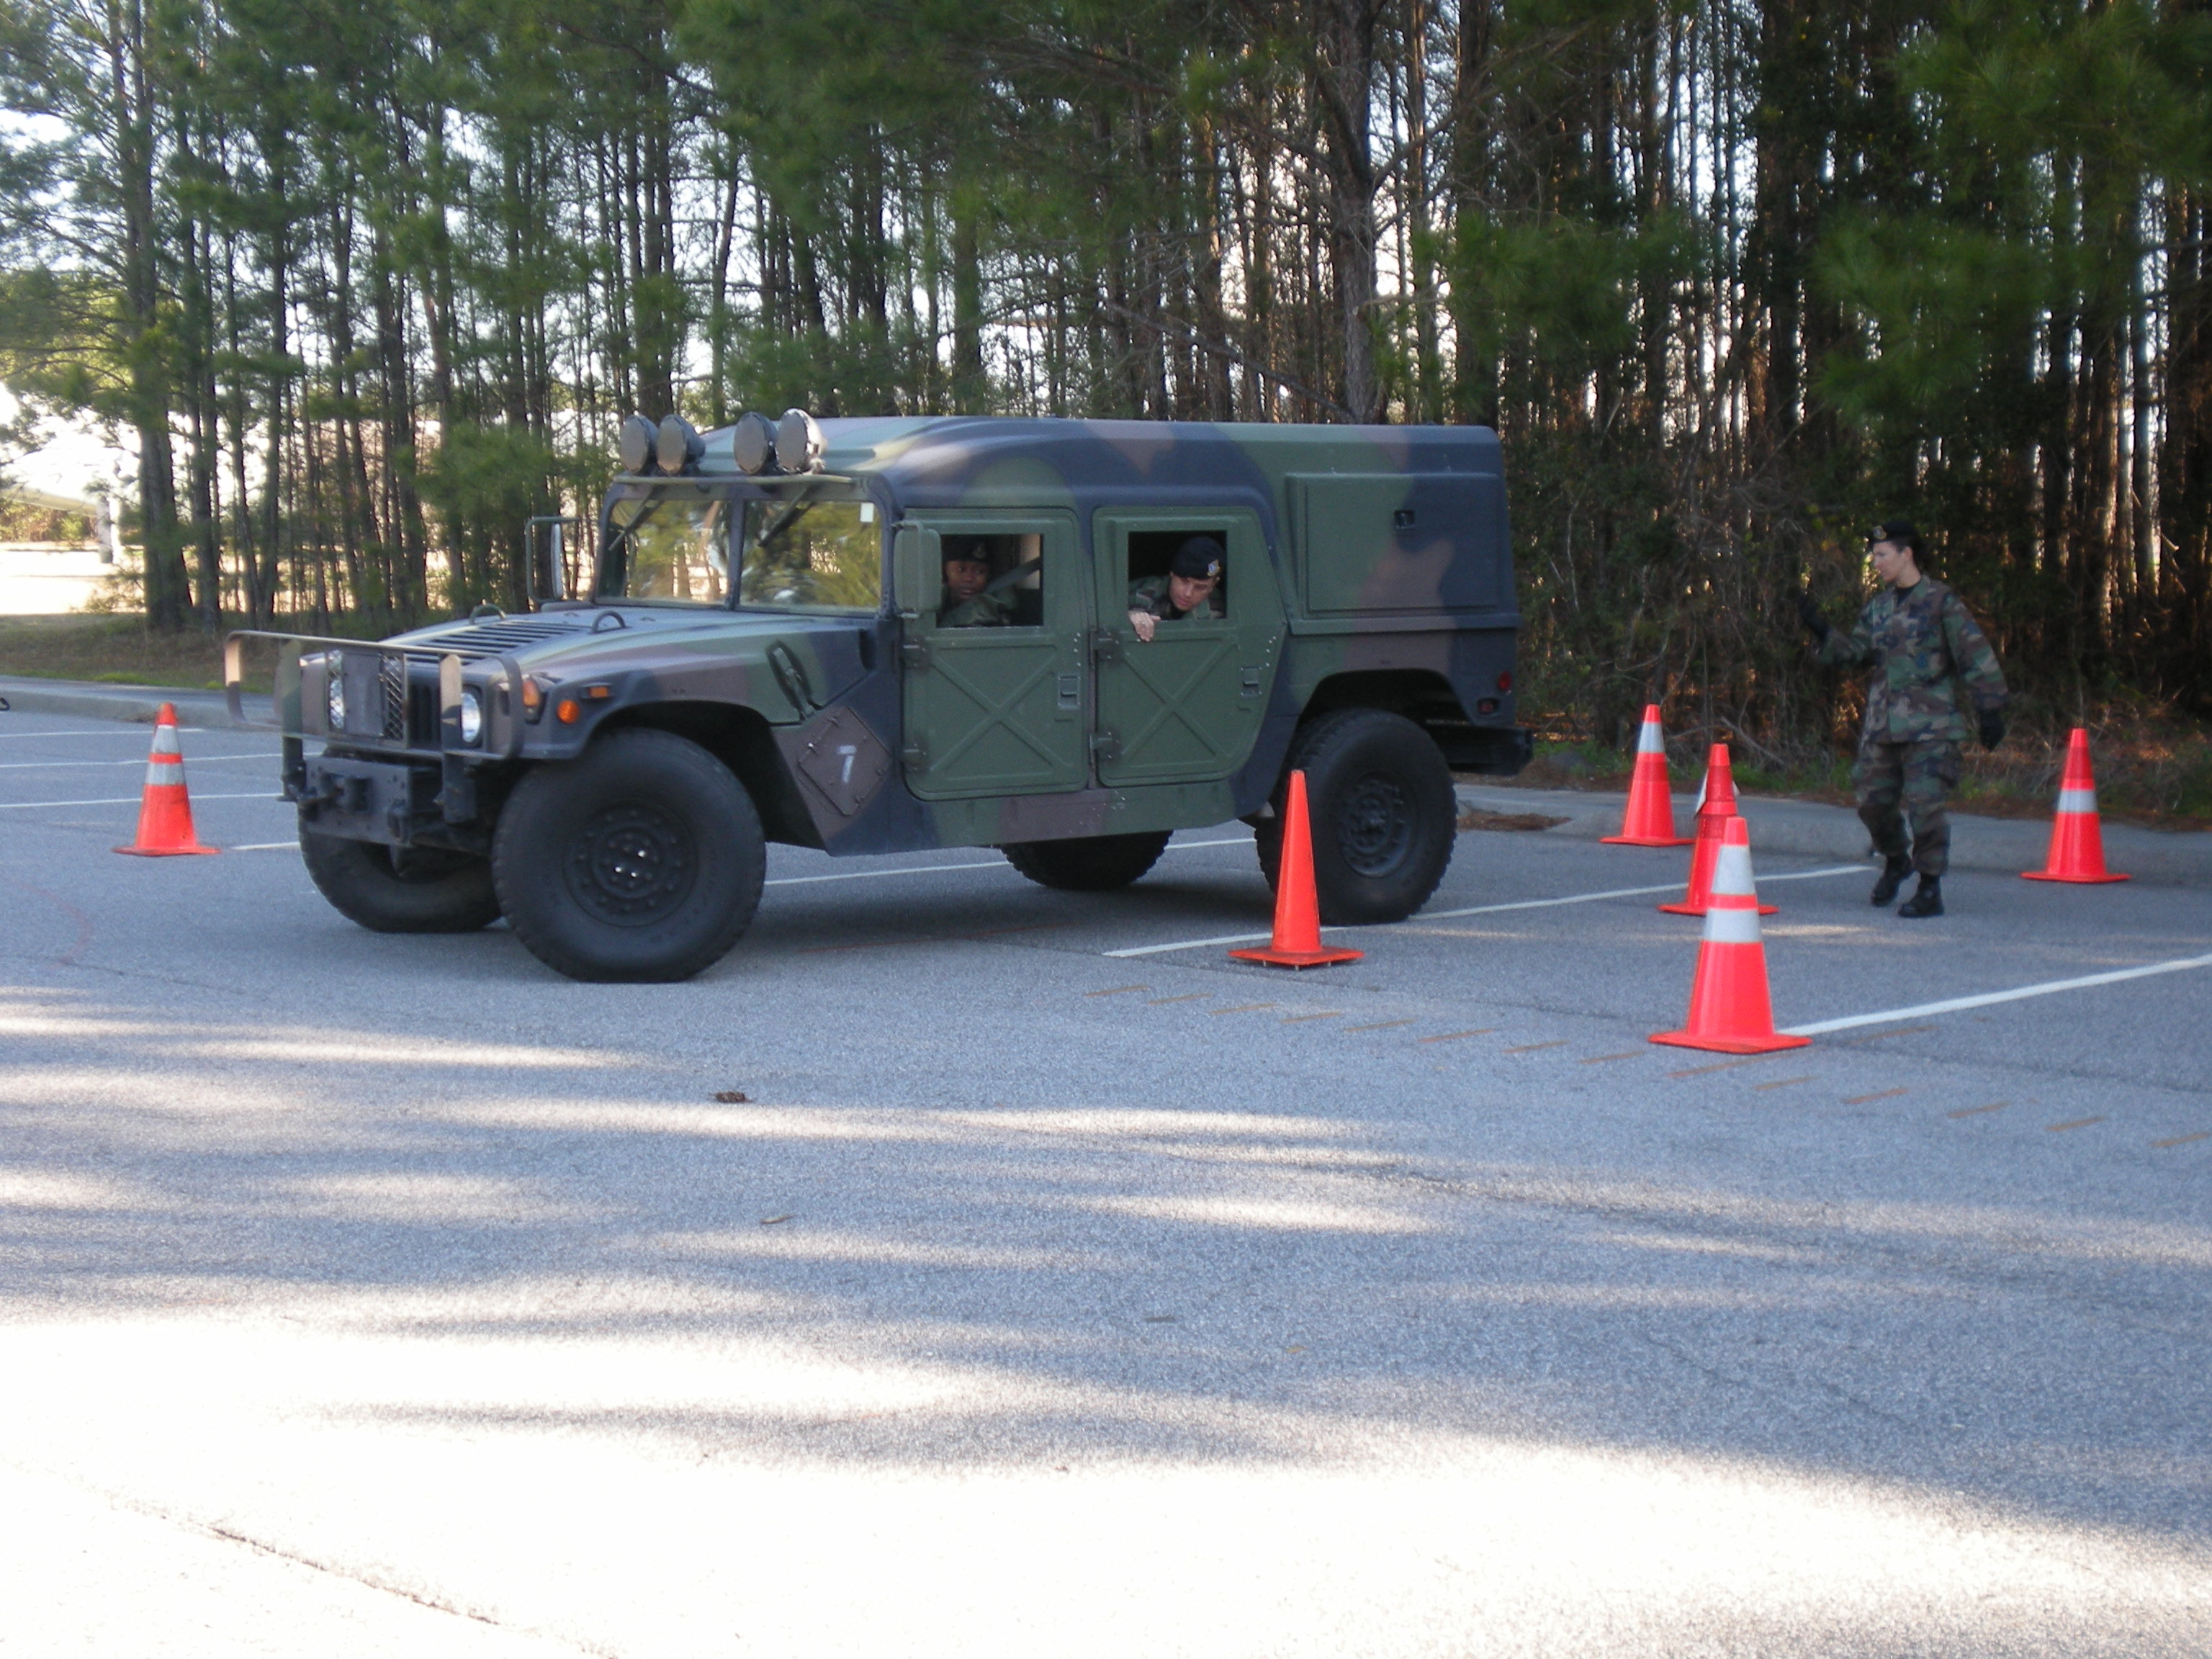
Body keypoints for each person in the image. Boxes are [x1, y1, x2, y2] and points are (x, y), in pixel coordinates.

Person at [1797, 519, 2008, 919]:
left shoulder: (1941, 601)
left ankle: (1930, 888)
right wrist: (1822, 631)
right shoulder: (1878, 608)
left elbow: (1973, 653)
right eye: (1873, 556)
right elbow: (1856, 653)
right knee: (1871, 802)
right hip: (1883, 726)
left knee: (1926, 806)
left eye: (1882, 555)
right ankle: (1897, 859)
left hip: (1931, 726)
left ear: (1906, 554)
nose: (1876, 563)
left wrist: (1990, 708)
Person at [1127, 536, 1225, 642]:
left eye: (1200, 587)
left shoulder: (1224, 606)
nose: (1188, 593)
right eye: (1184, 581)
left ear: (1214, 584)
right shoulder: (1137, 593)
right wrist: (1127, 617)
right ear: (1172, 574)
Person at [938, 545, 1012, 627]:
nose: (969, 578)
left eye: (979, 572)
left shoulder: (989, 611)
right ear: (946, 572)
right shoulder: (933, 603)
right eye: (961, 570)